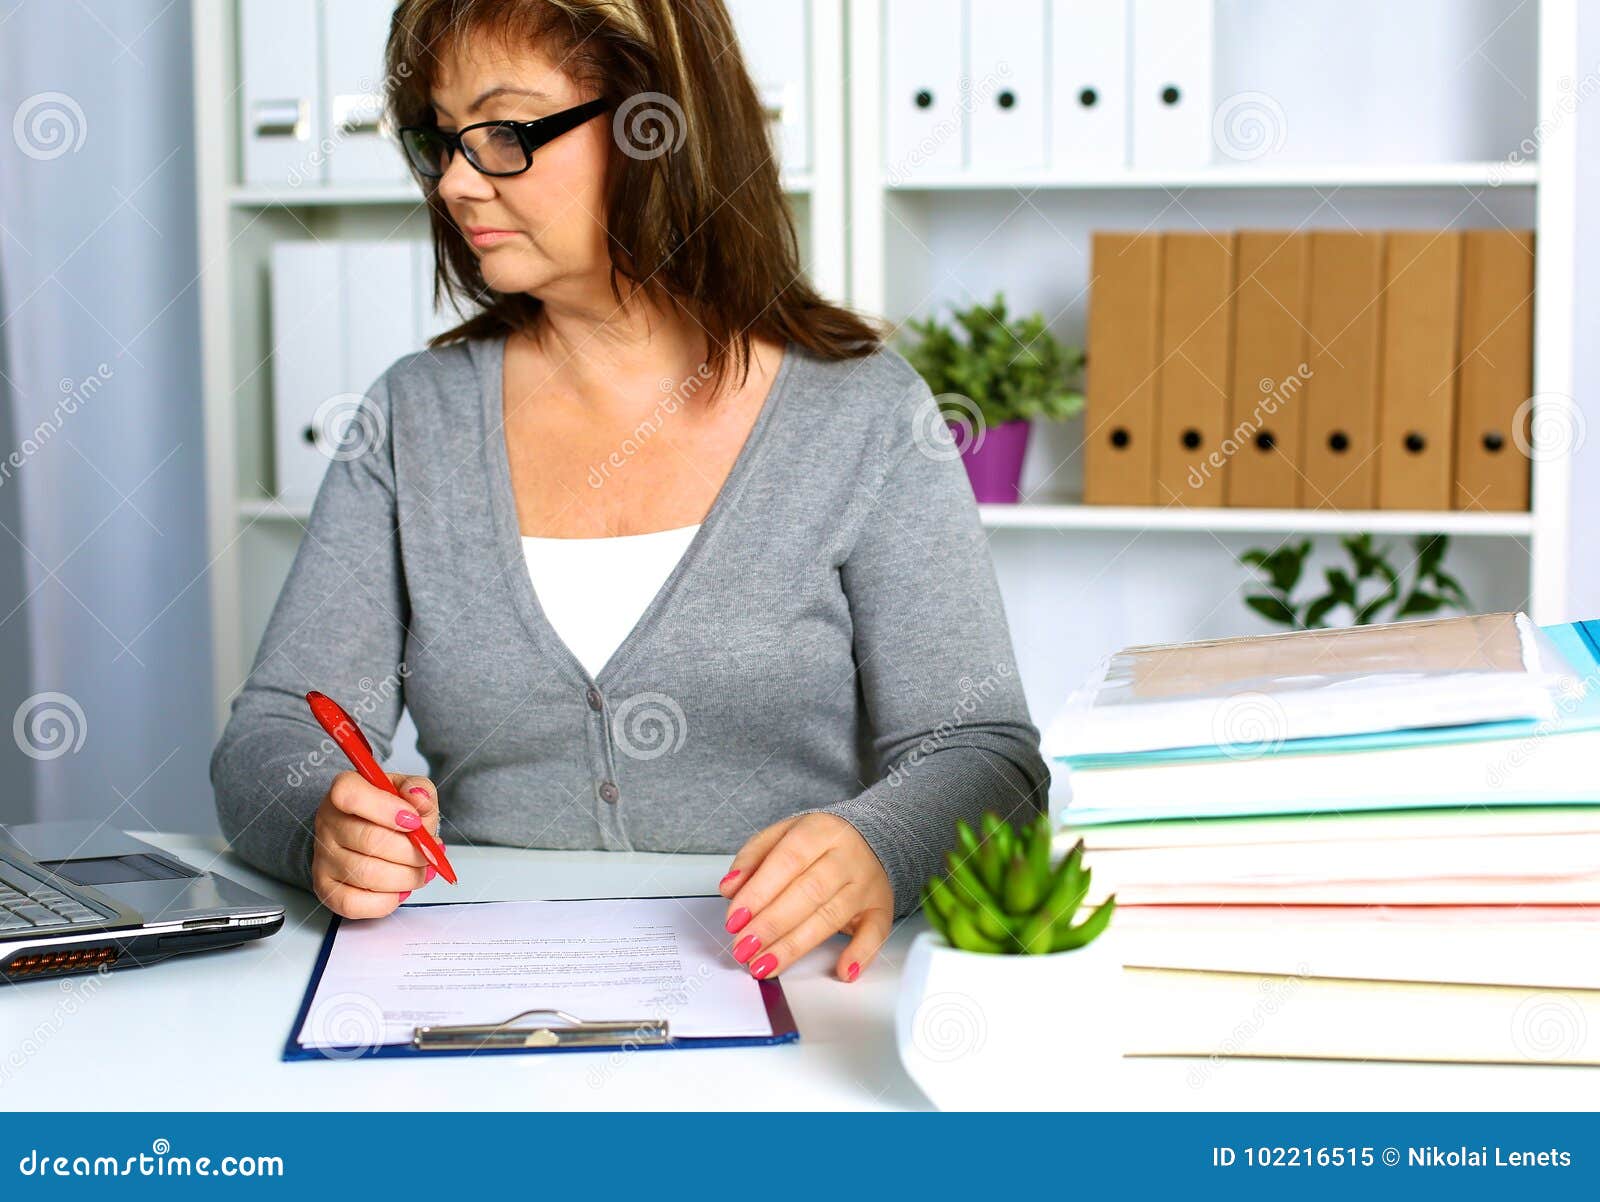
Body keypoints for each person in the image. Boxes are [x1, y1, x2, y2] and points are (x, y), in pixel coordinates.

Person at [211, 0, 1048, 984]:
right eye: (441, 139)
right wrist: (321, 818)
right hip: (472, 998)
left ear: (657, 130)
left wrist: (877, 845)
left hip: (780, 997)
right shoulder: (411, 418)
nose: (453, 179)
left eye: (504, 132)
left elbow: (986, 756)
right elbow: (273, 734)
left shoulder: (864, 412)